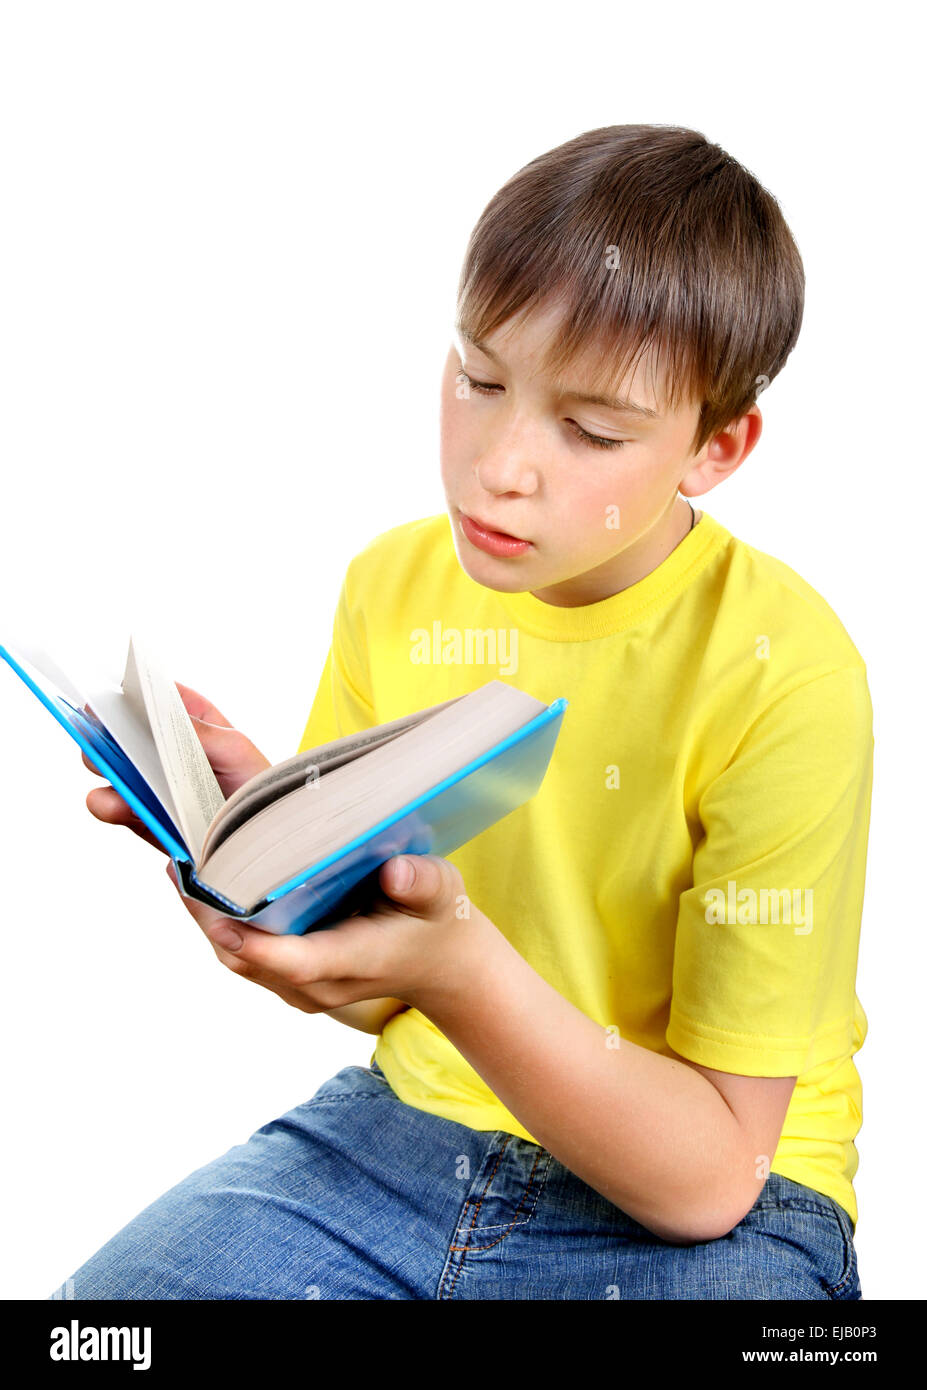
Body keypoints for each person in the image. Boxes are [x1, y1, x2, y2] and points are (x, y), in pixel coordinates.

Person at [53, 124, 870, 1300]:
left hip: (716, 1204)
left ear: (717, 445)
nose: (499, 465)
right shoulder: (394, 584)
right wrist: (275, 854)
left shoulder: (785, 672)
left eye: (590, 430)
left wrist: (461, 971)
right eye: (481, 378)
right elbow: (388, 989)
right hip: (411, 1129)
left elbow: (708, 1180)